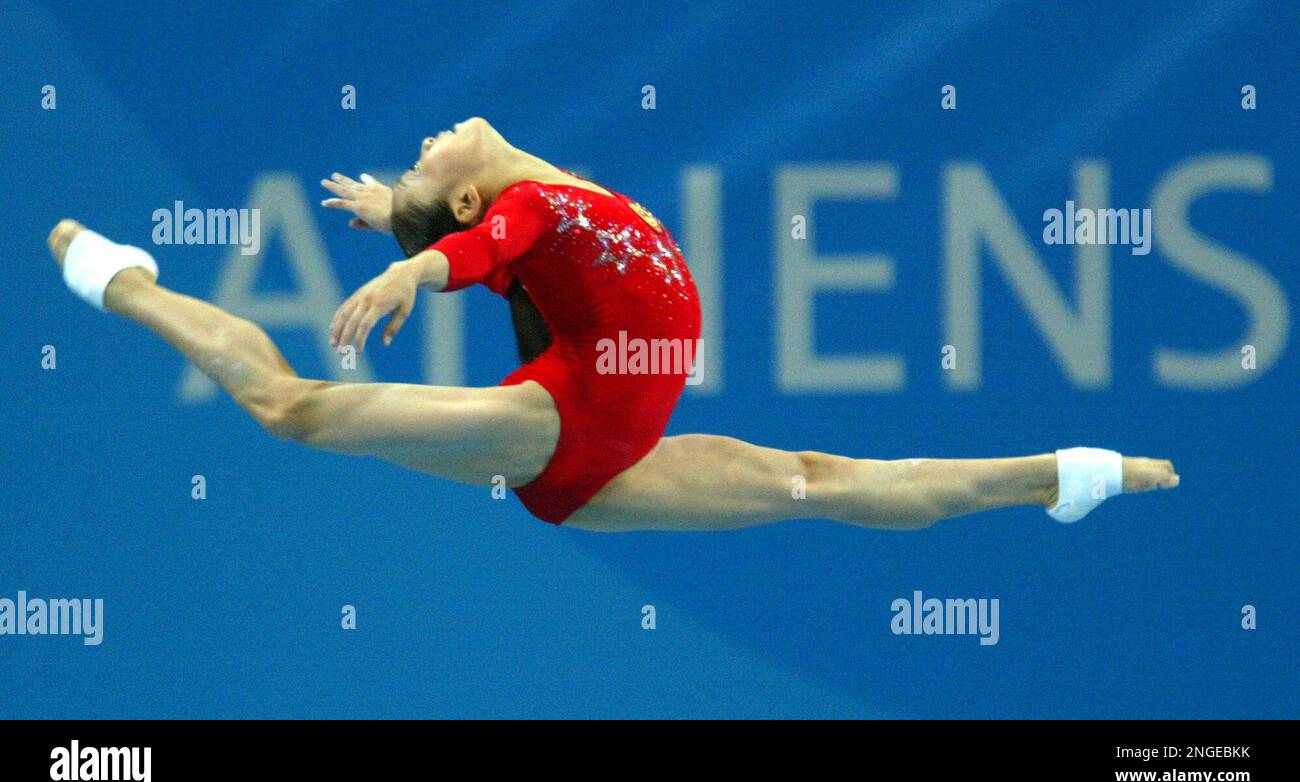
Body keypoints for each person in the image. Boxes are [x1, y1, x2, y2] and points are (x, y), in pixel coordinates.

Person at [49, 117, 1178, 531]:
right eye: (426, 162)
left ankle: (1058, 475)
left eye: (420, 152)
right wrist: (417, 269)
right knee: (291, 405)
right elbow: (487, 247)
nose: (433, 136)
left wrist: (403, 221)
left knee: (827, 482)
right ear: (465, 198)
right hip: (561, 421)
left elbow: (498, 242)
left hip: (612, 461)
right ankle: (126, 283)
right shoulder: (525, 211)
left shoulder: (564, 194)